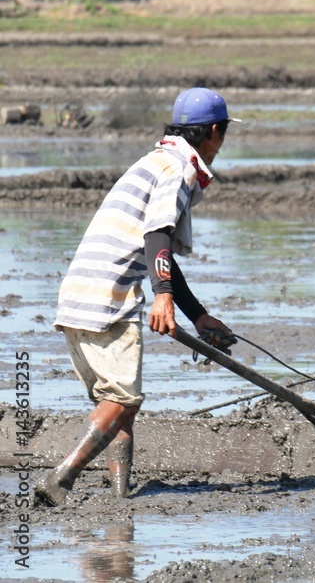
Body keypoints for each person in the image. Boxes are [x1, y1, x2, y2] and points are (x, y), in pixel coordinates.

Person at [35, 87, 240, 506]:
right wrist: (162, 296)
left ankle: (119, 495)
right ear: (215, 132)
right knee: (123, 399)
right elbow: (157, 235)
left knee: (119, 404)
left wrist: (197, 315)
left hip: (79, 293)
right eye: (224, 135)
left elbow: (156, 250)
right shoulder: (177, 167)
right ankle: (60, 479)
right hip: (111, 296)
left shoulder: (154, 160)